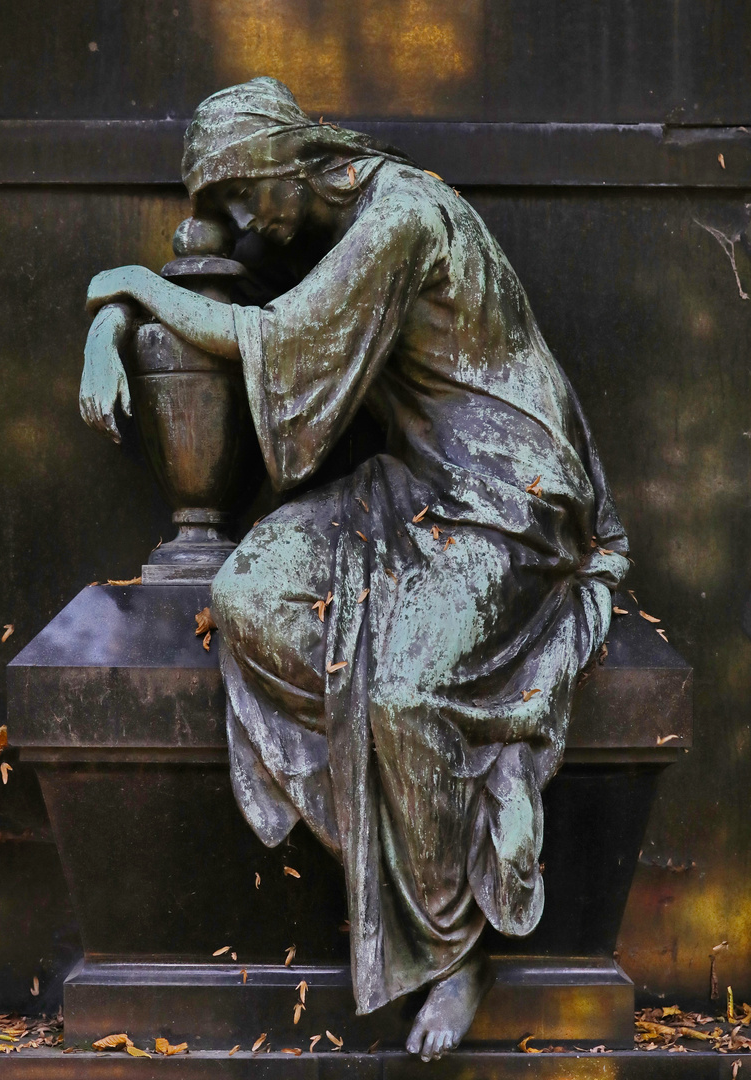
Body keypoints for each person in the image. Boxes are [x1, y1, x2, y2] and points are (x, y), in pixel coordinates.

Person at [81, 76, 629, 1062]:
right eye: (226, 210)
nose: (243, 227)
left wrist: (124, 287)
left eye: (244, 196)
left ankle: (456, 944)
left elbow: (267, 337)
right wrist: (109, 324)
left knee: (407, 696)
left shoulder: (406, 216)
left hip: (515, 507)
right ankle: (424, 828)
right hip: (418, 491)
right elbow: (229, 302)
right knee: (248, 597)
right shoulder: (344, 230)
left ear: (294, 161)